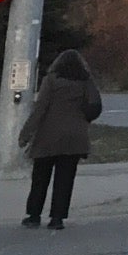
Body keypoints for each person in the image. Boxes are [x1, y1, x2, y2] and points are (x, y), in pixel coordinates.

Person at [18, 49, 102, 230]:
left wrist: (25, 134)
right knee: (65, 180)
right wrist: (84, 119)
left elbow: (40, 109)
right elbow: (95, 104)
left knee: (40, 178)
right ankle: (57, 219)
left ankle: (34, 216)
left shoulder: (51, 80)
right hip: (75, 138)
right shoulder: (85, 81)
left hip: (48, 136)